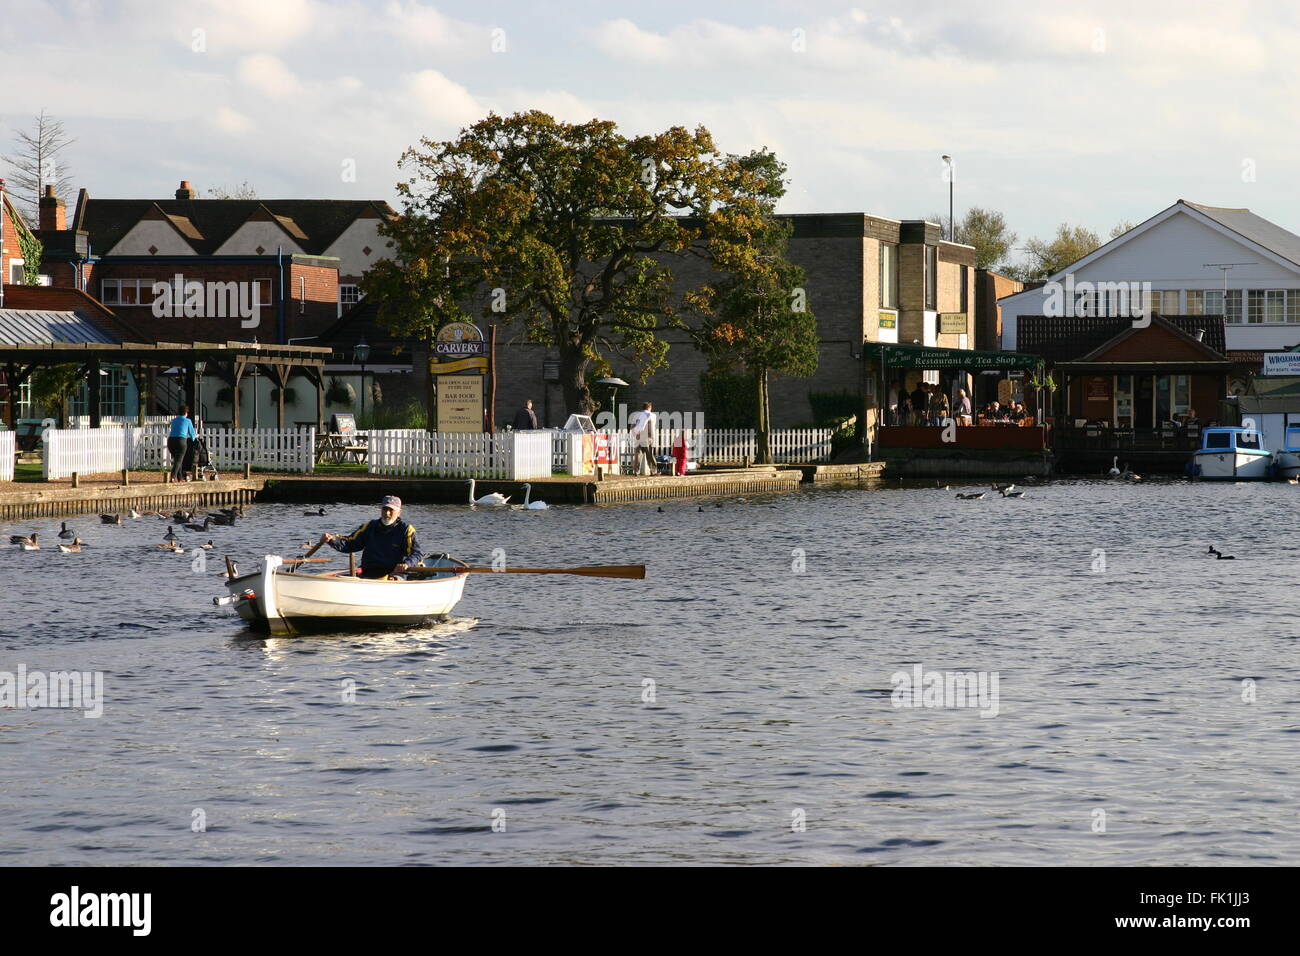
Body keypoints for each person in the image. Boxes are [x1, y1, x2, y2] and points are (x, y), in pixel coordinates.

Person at [320, 495, 423, 579]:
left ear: (399, 512)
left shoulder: (407, 530)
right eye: (385, 509)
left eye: (391, 510)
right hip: (369, 572)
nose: (387, 513)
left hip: (394, 573)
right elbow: (350, 543)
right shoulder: (370, 526)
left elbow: (417, 554)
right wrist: (332, 539)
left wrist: (407, 564)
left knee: (396, 578)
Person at [168, 405, 197, 481]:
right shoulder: (187, 421)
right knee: (179, 460)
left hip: (171, 441)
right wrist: (196, 436)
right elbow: (192, 434)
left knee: (177, 460)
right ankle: (173, 476)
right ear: (186, 413)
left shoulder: (174, 420)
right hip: (181, 441)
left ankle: (180, 478)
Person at [629, 402, 656, 475]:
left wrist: (635, 434)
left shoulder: (636, 415)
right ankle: (653, 471)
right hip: (648, 438)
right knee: (650, 455)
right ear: (650, 407)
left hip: (638, 438)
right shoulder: (652, 415)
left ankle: (636, 471)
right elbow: (650, 427)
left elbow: (632, 427)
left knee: (638, 455)